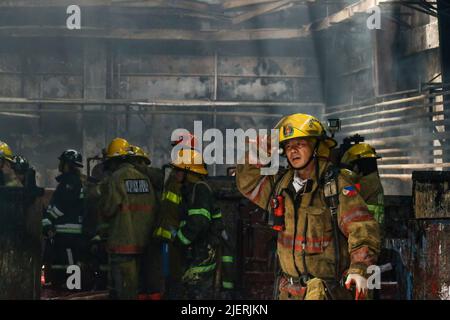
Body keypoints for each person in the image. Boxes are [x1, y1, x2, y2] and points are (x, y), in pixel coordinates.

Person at [236, 113, 380, 300]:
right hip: (289, 291)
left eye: (300, 144)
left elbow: (362, 228)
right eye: (288, 146)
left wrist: (359, 268)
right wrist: (266, 145)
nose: (293, 151)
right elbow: (246, 181)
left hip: (324, 292)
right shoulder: (281, 185)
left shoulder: (335, 185)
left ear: (316, 147)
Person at [96, 138, 157, 299]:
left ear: (115, 160)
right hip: (143, 244)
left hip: (122, 244)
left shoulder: (116, 178)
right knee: (137, 288)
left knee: (123, 291)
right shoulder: (145, 179)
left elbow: (108, 209)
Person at [41, 149, 85, 287]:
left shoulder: (70, 182)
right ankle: (63, 287)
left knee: (70, 264)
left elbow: (62, 204)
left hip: (69, 233)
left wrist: (48, 218)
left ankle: (72, 289)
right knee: (61, 264)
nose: (60, 164)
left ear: (67, 164)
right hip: (65, 232)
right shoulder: (71, 181)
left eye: (62, 162)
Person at [340, 143, 384, 226]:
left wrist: (344, 172)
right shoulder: (372, 179)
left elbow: (345, 192)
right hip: (372, 227)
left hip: (369, 230)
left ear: (357, 165)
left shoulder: (369, 182)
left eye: (352, 166)